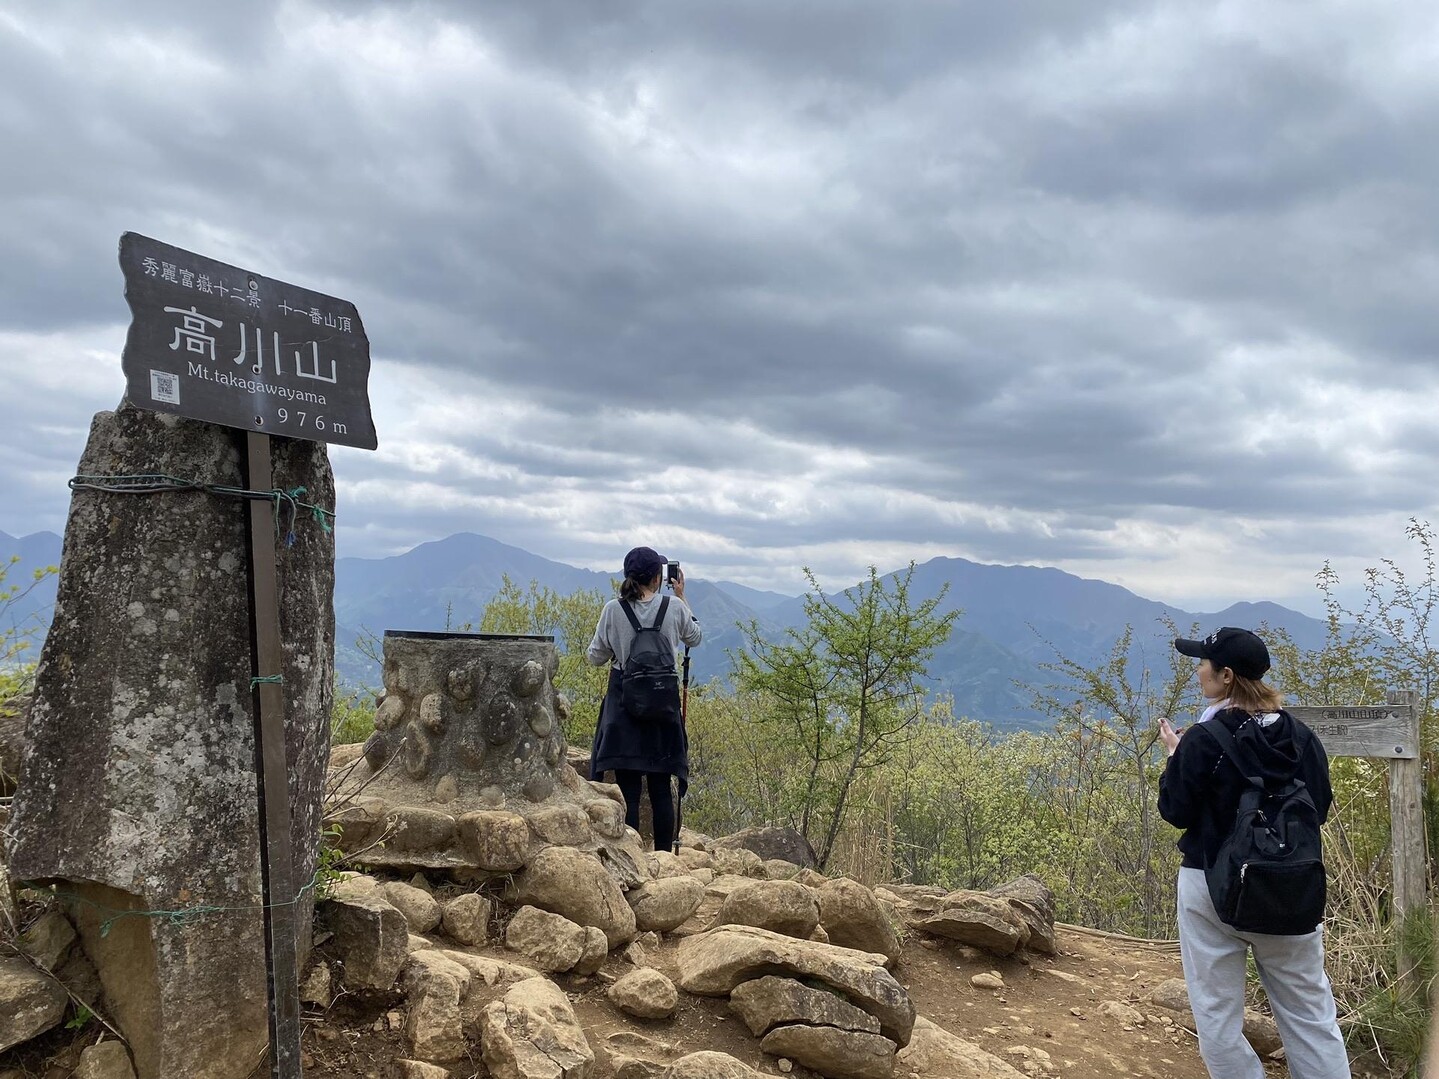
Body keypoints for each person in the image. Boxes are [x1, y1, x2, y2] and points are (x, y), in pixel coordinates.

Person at [1158, 627, 1350, 1079]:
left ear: (1225, 676)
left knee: (1217, 1014)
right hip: (1290, 888)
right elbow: (1317, 808)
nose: (1198, 671)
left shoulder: (1204, 740)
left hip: (1210, 885)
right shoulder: (1301, 737)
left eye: (1203, 663)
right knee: (1310, 1014)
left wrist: (1176, 756)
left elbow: (1175, 810)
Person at [586, 545, 702, 852]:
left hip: (625, 706)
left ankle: (633, 854)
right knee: (661, 786)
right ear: (657, 576)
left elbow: (594, 657)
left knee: (629, 788)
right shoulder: (674, 608)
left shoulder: (613, 609)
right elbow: (695, 637)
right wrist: (681, 596)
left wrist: (618, 645)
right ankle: (664, 859)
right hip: (663, 706)